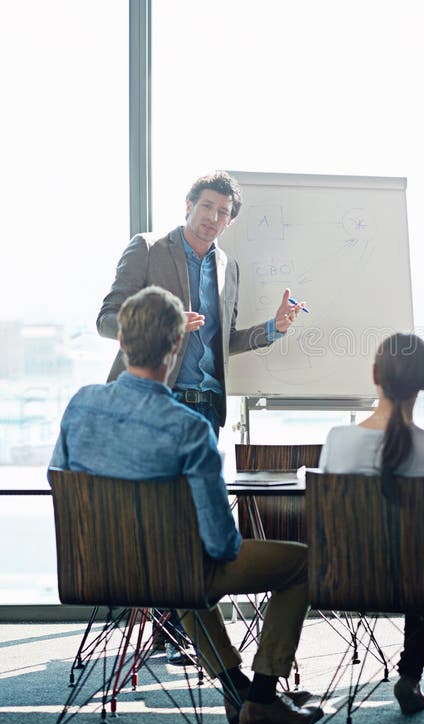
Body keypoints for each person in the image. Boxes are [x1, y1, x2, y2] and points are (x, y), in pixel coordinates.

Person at [51, 286, 322, 724]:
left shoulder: (79, 406)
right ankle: (262, 695)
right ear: (179, 344)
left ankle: (238, 692)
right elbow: (221, 543)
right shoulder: (189, 428)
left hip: (94, 570)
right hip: (172, 574)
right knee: (300, 562)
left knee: (180, 563)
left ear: (121, 341)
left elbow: (59, 478)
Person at [97, 170, 303, 662]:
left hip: (206, 408)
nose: (214, 219)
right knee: (170, 522)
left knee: (186, 521)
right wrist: (163, 322)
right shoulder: (149, 249)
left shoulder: (228, 266)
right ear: (188, 204)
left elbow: (220, 341)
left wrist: (271, 330)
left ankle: (179, 631)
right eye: (207, 207)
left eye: (224, 213)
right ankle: (174, 632)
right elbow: (107, 319)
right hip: (154, 402)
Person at [318, 333, 424, 715]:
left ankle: (416, 671)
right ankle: (419, 667)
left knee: (412, 553)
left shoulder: (337, 441)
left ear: (375, 374)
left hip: (351, 581)